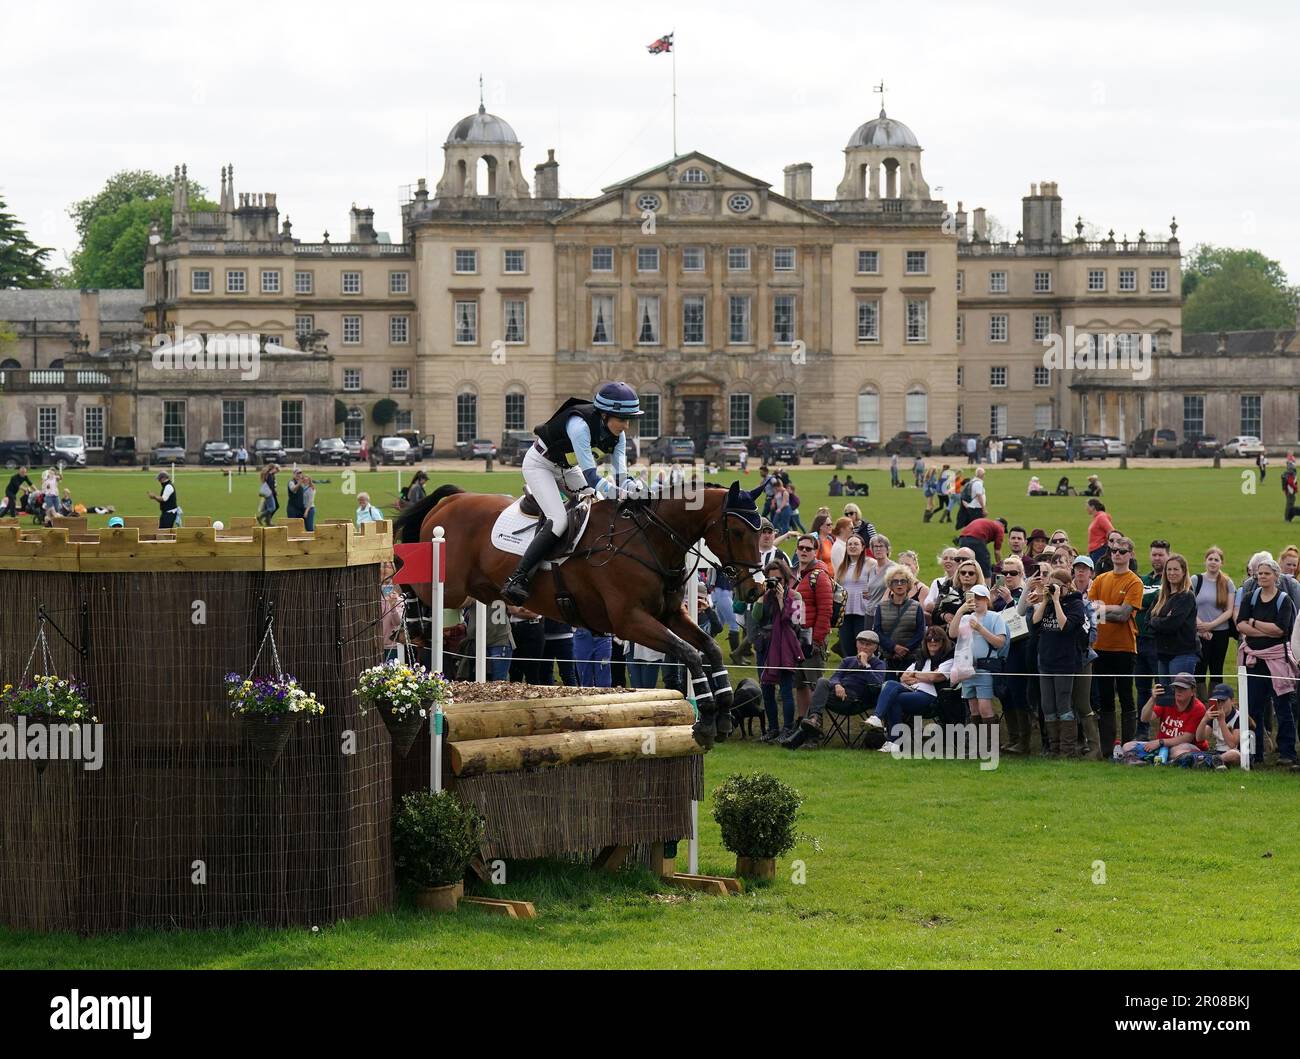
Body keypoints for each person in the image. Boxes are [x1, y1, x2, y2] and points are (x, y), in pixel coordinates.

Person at [502, 382, 641, 604]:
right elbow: (593, 478)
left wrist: (634, 488)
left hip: (567, 468)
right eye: (622, 419)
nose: (626, 425)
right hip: (540, 464)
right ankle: (517, 577)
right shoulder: (579, 426)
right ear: (604, 415)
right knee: (558, 520)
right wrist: (620, 492)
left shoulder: (619, 436)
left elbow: (621, 476)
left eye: (629, 419)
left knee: (601, 507)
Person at [1236, 556, 1297, 768]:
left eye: (1266, 573)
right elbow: (1240, 625)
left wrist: (1253, 622)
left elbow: (1281, 630)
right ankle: (1253, 753)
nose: (1262, 577)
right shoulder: (1250, 597)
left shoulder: (1284, 600)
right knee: (1252, 708)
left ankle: (1287, 753)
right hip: (1254, 660)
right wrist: (1261, 627)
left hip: (1277, 660)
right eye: (1259, 573)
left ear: (1275, 576)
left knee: (1282, 707)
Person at [1088, 535, 1145, 750]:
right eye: (1113, 551)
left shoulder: (1134, 582)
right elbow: (1091, 611)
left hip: (1124, 648)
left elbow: (1124, 615)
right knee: (1105, 698)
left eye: (1122, 551)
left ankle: (1128, 746)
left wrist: (1105, 609)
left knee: (1126, 696)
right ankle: (1106, 747)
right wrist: (1113, 608)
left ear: (1131, 554)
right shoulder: (1101, 579)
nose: (1117, 554)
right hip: (1100, 647)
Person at [788, 629, 887, 749]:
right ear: (856, 644)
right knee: (822, 682)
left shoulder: (879, 664)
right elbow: (835, 677)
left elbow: (876, 686)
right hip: (837, 696)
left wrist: (866, 665)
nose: (864, 647)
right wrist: (837, 685)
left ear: (875, 647)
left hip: (857, 700)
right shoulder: (847, 661)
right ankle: (814, 722)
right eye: (861, 643)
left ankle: (807, 737)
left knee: (817, 698)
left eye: (868, 644)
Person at [1028, 568, 1085, 758]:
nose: (1053, 589)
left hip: (1065, 662)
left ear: (1067, 586)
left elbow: (1065, 626)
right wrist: (1045, 600)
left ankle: (1067, 750)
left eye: (1057, 586)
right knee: (1047, 706)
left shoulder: (1076, 604)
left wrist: (1057, 601)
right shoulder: (1048, 603)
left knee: (1063, 704)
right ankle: (1054, 748)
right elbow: (1034, 625)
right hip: (1045, 661)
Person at [875, 628, 958, 750]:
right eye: (929, 639)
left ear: (943, 641)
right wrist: (924, 676)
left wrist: (917, 675)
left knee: (894, 698)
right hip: (912, 691)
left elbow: (934, 677)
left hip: (931, 697)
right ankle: (877, 718)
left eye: (937, 639)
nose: (932, 641)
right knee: (890, 684)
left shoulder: (948, 659)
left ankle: (893, 740)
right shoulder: (921, 659)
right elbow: (903, 677)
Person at [787, 534, 834, 737]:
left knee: (815, 683)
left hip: (812, 640)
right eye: (801, 548)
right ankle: (801, 723)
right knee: (799, 684)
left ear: (816, 552)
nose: (804, 551)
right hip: (795, 639)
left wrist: (817, 640)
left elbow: (826, 611)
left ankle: (815, 726)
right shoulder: (796, 574)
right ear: (796, 550)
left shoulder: (819, 576)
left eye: (808, 548)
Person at [948, 582, 1008, 734]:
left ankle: (990, 744)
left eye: (980, 598)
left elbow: (1000, 642)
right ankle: (977, 743)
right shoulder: (966, 618)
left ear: (987, 600)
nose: (976, 601)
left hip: (985, 667)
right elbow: (952, 634)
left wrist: (980, 629)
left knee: (984, 707)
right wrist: (961, 611)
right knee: (973, 708)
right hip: (966, 669)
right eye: (973, 598)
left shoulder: (995, 617)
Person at [752, 560, 801, 743]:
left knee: (786, 690)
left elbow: (796, 622)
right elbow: (756, 617)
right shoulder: (764, 596)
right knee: (766, 689)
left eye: (778, 579)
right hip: (765, 646)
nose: (775, 582)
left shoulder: (795, 596)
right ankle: (772, 729)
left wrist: (781, 600)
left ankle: (787, 729)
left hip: (784, 648)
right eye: (770, 579)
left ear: (786, 578)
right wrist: (761, 595)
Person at [1119, 673, 1207, 764]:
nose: (1179, 691)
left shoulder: (1198, 708)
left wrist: (1160, 742)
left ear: (1193, 691)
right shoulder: (1167, 700)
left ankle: (1149, 758)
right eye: (1176, 687)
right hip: (1161, 745)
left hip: (1185, 746)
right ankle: (1163, 759)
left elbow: (1186, 738)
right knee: (1127, 746)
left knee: (1179, 752)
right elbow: (1144, 718)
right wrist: (1153, 699)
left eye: (1183, 688)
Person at [1070, 556, 1104, 759]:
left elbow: (1094, 632)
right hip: (1064, 657)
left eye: (1085, 569)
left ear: (1091, 572)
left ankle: (1094, 748)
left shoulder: (1095, 598)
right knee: (1068, 703)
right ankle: (1074, 745)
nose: (1080, 572)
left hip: (1083, 656)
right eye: (1077, 568)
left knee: (1083, 703)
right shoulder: (1066, 591)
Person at [1147, 552, 1200, 682]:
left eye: (1176, 569)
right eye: (1169, 569)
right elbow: (1147, 622)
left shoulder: (1186, 596)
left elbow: (1172, 625)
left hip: (1182, 653)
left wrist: (1156, 620)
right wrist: (1161, 621)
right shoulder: (1160, 597)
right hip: (1163, 653)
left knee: (1179, 695)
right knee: (1164, 696)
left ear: (1183, 572)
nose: (1172, 573)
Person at [1193, 546, 1236, 696]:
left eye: (1216, 560)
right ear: (1205, 561)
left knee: (1216, 669)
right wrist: (1201, 627)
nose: (1213, 562)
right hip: (1199, 633)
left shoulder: (1227, 582)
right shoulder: (1195, 580)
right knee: (1199, 669)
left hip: (1220, 633)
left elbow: (1230, 611)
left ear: (1221, 563)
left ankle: (1216, 703)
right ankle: (1201, 703)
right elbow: (1189, 606)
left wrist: (1211, 625)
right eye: (1210, 559)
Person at [871, 564, 927, 674]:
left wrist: (905, 649)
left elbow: (920, 632)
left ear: (908, 584)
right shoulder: (881, 607)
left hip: (911, 659)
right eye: (895, 581)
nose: (899, 584)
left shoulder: (916, 607)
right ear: (890, 585)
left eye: (903, 581)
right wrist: (893, 648)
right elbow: (877, 631)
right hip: (888, 658)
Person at [835, 533, 876, 659]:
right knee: (847, 647)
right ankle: (850, 674)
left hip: (863, 612)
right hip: (845, 612)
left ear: (863, 547)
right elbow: (836, 588)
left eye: (856, 544)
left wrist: (871, 592)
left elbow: (878, 584)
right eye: (850, 544)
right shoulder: (842, 567)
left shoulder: (870, 564)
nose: (852, 546)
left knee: (863, 646)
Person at [1188, 684, 1243, 770]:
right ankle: (1212, 762)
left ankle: (1207, 762)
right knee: (1189, 751)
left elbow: (1232, 744)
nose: (1220, 704)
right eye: (1217, 701)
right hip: (1217, 752)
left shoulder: (1239, 717)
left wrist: (1222, 721)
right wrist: (1204, 720)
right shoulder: (1214, 716)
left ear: (1232, 701)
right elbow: (1199, 738)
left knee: (1233, 755)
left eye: (1223, 701)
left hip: (1235, 753)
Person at [957, 516, 1007, 580]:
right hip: (976, 540)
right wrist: (1000, 566)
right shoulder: (1000, 528)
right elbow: (997, 551)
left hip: (962, 539)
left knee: (965, 564)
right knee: (985, 566)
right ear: (1004, 526)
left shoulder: (987, 523)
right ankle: (986, 587)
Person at [1085, 499, 1115, 567]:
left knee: (1096, 572)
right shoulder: (1097, 517)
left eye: (1087, 506)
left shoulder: (1101, 517)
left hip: (1099, 550)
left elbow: (1111, 531)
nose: (1086, 508)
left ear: (1093, 507)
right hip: (1094, 550)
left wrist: (1107, 544)